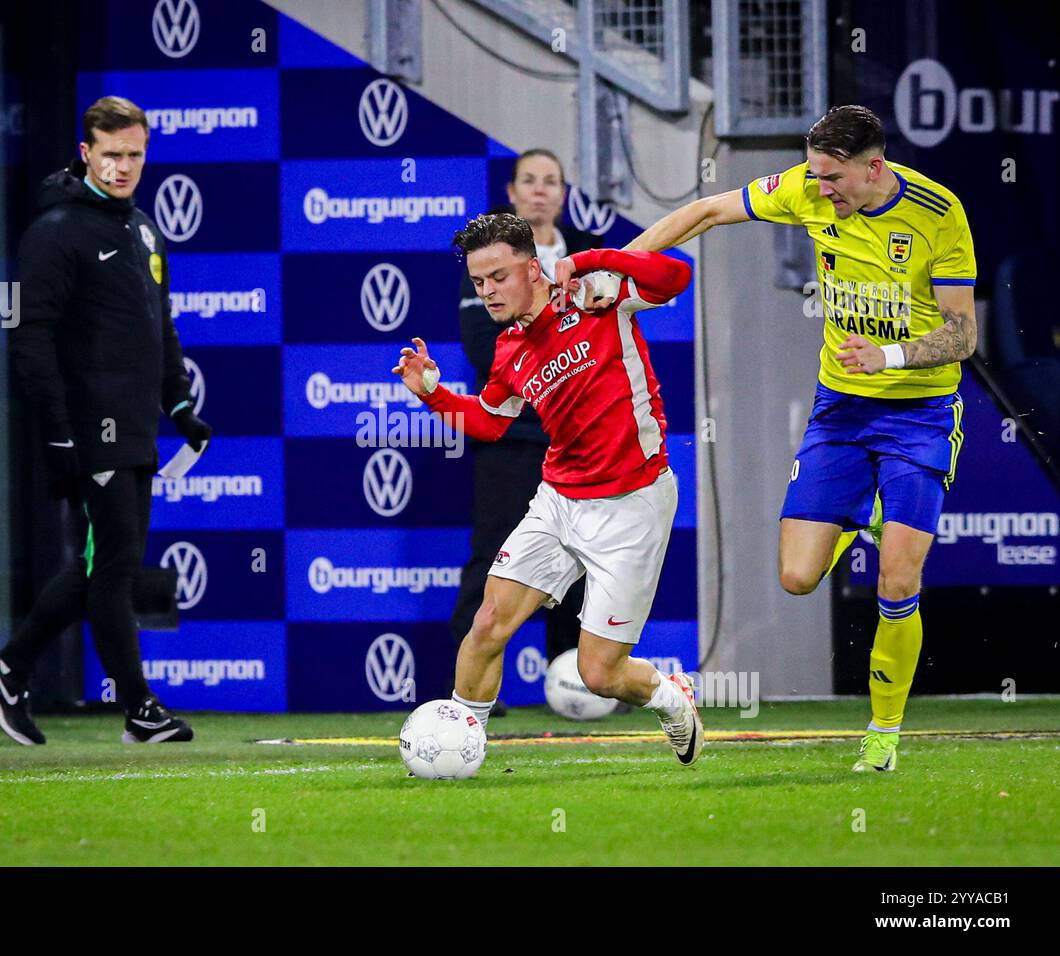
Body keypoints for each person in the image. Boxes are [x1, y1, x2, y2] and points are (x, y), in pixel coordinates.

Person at [615, 105, 976, 772]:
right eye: (814, 175)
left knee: (898, 576)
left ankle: (883, 735)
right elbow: (707, 212)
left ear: (874, 167)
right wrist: (619, 264)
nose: (821, 189)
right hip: (840, 411)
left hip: (919, 414)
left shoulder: (937, 211)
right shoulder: (807, 190)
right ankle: (865, 509)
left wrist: (892, 359)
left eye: (832, 177)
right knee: (797, 576)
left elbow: (962, 333)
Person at [393, 213, 703, 767]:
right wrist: (432, 393)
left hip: (633, 503)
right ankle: (462, 744)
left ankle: (668, 697)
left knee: (600, 674)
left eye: (498, 276)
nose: (487, 291)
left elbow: (675, 278)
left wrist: (589, 260)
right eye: (478, 281)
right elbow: (489, 421)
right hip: (559, 499)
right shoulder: (509, 350)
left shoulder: (593, 296)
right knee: (488, 622)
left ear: (533, 267)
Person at [0, 96, 211, 745]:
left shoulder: (146, 228)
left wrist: (180, 405)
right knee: (116, 563)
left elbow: (161, 326)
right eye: (112, 155)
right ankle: (138, 708)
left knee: (108, 564)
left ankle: (7, 669)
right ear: (86, 153)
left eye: (135, 155)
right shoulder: (56, 231)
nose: (125, 167)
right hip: (88, 425)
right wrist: (59, 431)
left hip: (133, 428)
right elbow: (30, 338)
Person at [451, 150, 599, 694]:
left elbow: (605, 346)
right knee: (492, 557)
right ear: (512, 193)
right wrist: (557, 368)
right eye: (529, 181)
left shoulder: (588, 255)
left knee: (581, 563)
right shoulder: (486, 258)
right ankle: (466, 688)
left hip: (580, 442)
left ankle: (580, 684)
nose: (540, 191)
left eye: (551, 182)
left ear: (563, 193)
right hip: (510, 439)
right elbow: (481, 348)